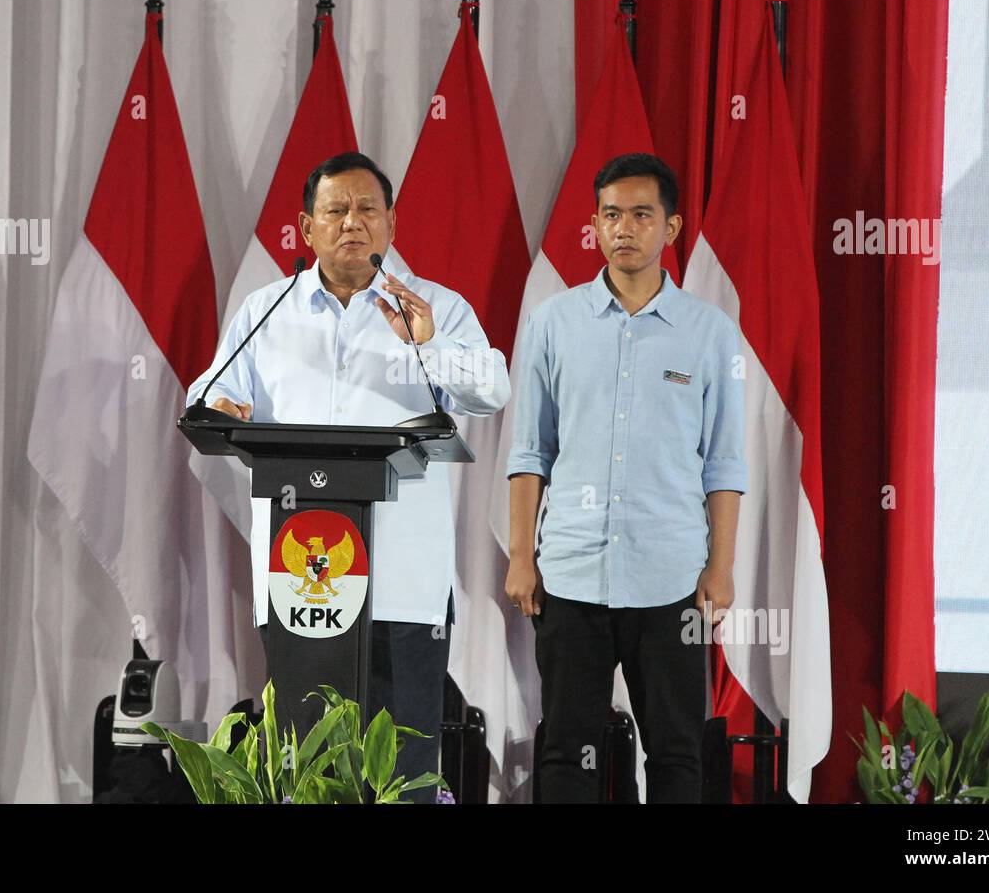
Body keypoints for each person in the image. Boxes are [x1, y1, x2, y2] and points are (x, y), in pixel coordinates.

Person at [188, 152, 510, 799]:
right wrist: (219, 405)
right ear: (307, 228)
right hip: (303, 582)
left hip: (404, 584)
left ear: (391, 222)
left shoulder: (436, 308)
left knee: (402, 773)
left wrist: (427, 344)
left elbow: (491, 392)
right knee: (308, 769)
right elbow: (211, 394)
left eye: (368, 210)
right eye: (336, 211)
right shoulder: (264, 310)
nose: (352, 223)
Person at [505, 152, 746, 803]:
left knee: (675, 754)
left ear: (669, 229)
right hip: (572, 575)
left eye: (642, 214)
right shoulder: (554, 324)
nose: (624, 228)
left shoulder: (710, 334)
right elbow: (529, 450)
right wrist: (522, 556)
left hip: (671, 581)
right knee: (565, 752)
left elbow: (725, 463)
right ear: (595, 224)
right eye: (611, 214)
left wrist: (719, 569)